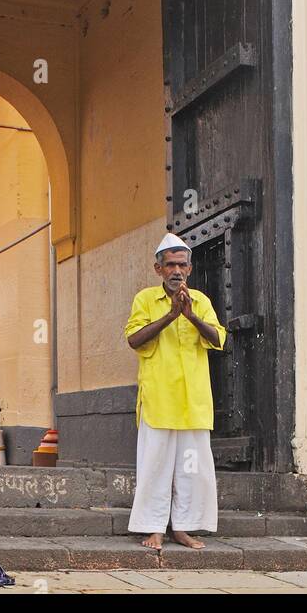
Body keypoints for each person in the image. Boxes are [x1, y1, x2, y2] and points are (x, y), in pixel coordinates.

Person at [124, 233, 227, 549]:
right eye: (170, 265)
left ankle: (183, 527)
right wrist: (170, 315)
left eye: (182, 265)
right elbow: (134, 339)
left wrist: (190, 315)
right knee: (154, 467)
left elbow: (218, 339)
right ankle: (152, 527)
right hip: (159, 400)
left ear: (190, 269)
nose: (177, 271)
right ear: (159, 269)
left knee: (192, 472)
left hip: (193, 402)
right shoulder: (145, 300)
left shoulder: (201, 301)